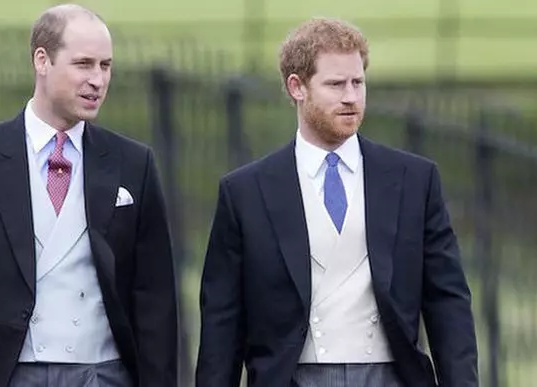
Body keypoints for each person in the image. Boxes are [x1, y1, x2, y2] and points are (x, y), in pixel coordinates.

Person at [196, 17, 478, 387]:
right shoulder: (246, 192)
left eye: (358, 83)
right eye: (335, 84)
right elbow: (223, 321)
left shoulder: (414, 180)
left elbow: (447, 301)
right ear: (297, 87)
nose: (351, 97)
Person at [0, 4, 178, 387]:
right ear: (42, 60)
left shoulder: (134, 164)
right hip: (6, 375)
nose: (98, 80)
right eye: (83, 64)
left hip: (105, 376)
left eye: (106, 66)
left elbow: (155, 299)